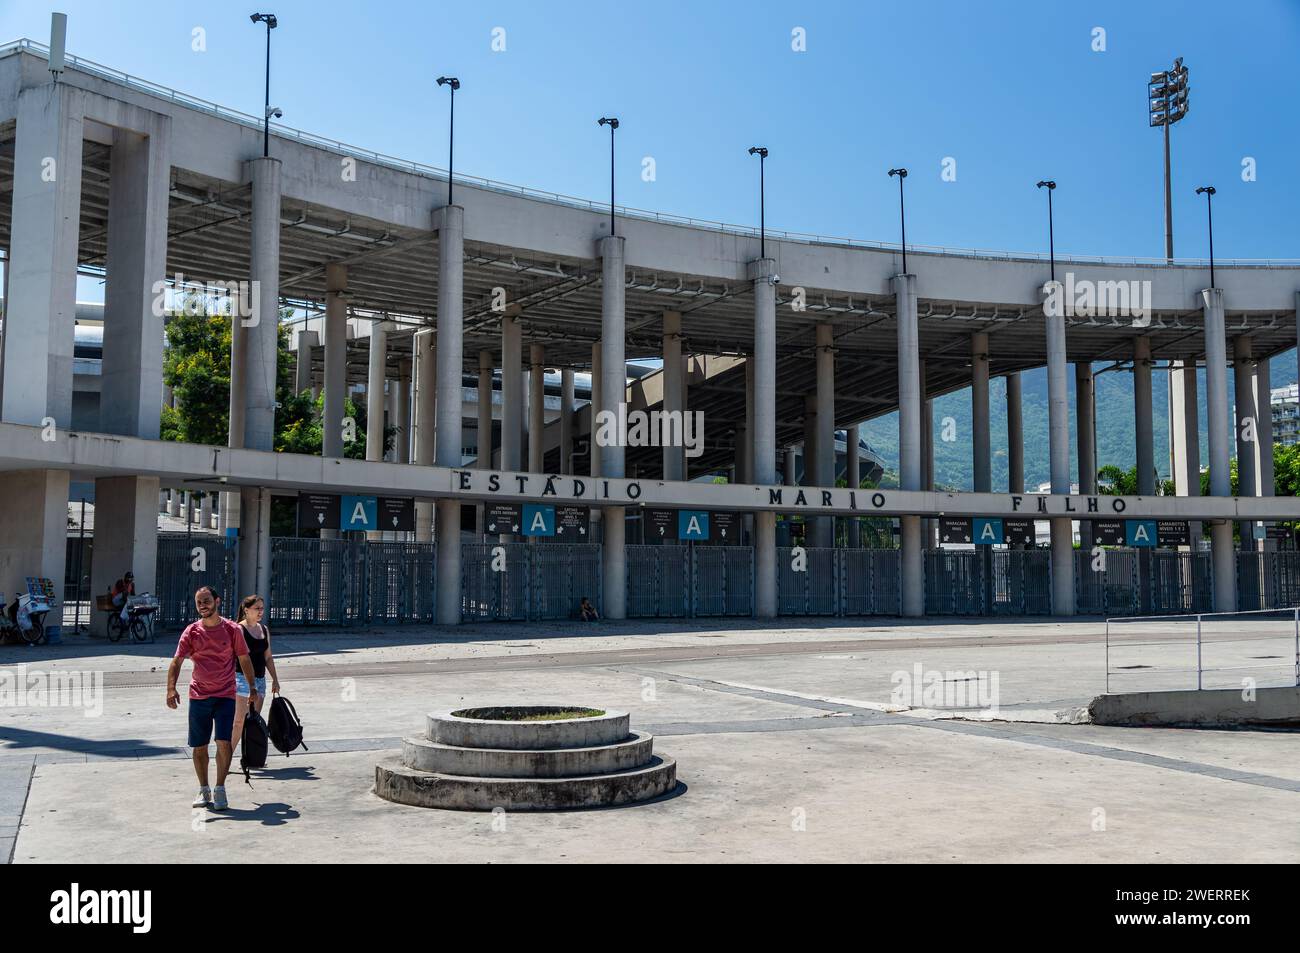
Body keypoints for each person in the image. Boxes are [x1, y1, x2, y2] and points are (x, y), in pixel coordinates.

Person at [166, 586, 258, 812]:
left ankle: (220, 788)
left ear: (217, 601)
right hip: (199, 696)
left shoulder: (232, 630)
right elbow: (177, 661)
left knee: (223, 742)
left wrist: (252, 687)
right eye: (199, 602)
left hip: (225, 694)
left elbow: (244, 659)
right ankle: (203, 788)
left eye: (206, 600)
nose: (203, 606)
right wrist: (170, 688)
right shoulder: (191, 632)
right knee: (199, 746)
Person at [229, 594, 280, 752]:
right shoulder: (239, 629)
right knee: (239, 721)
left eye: (262, 608)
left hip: (260, 680)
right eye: (257, 608)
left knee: (253, 721)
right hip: (241, 679)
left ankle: (250, 757)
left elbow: (268, 657)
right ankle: (226, 757)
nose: (260, 612)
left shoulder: (264, 629)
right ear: (246, 610)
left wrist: (275, 680)